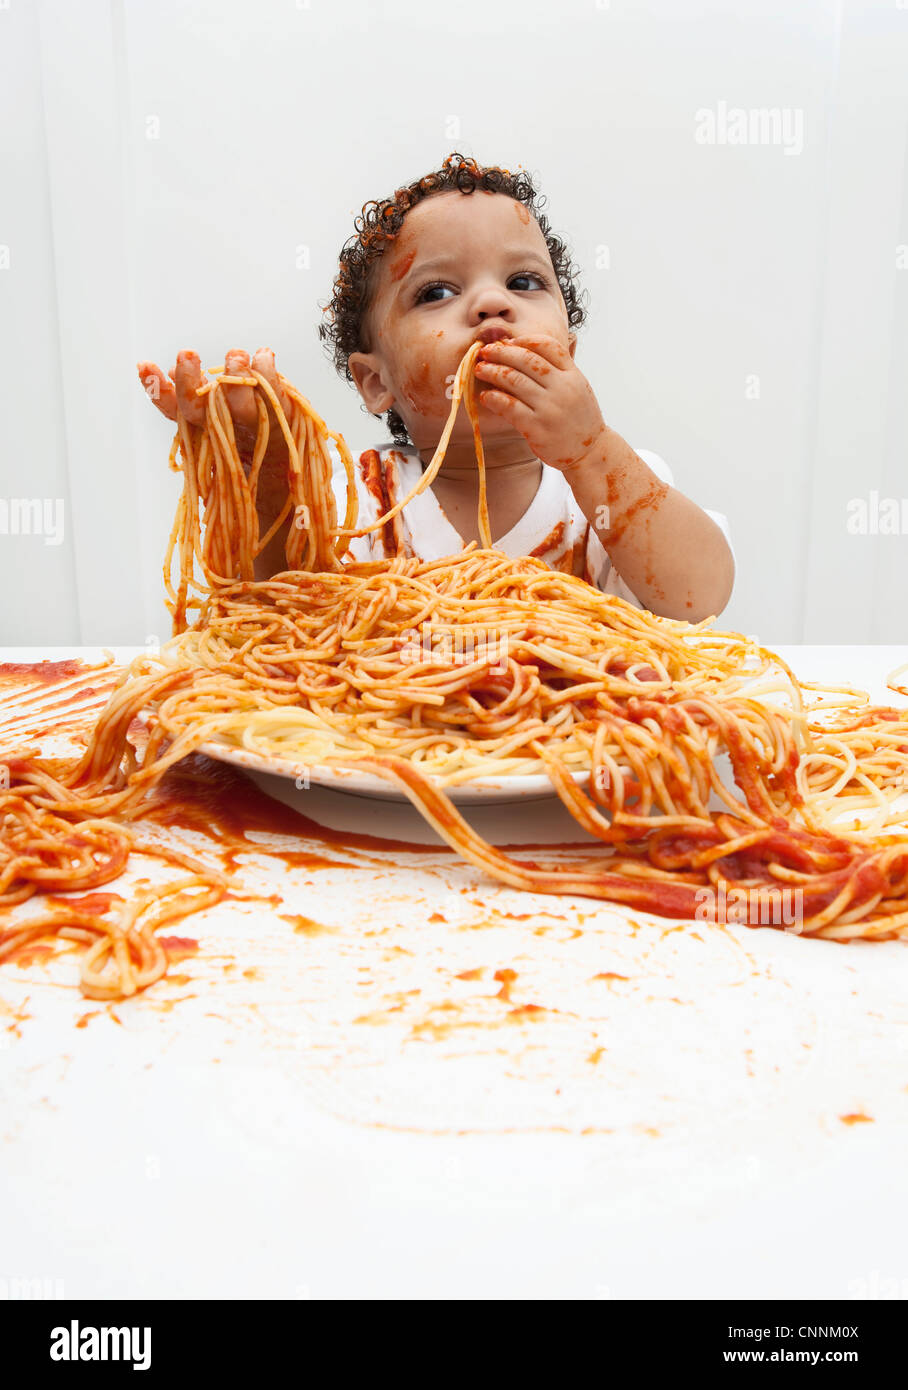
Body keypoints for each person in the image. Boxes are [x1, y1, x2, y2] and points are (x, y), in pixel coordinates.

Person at [138, 153, 734, 621]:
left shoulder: (607, 495)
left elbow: (698, 599)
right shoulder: (358, 503)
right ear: (377, 384)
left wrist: (592, 450)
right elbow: (274, 613)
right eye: (436, 293)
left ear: (570, 357)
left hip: (573, 766)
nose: (492, 304)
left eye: (524, 281)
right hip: (385, 762)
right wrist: (265, 472)